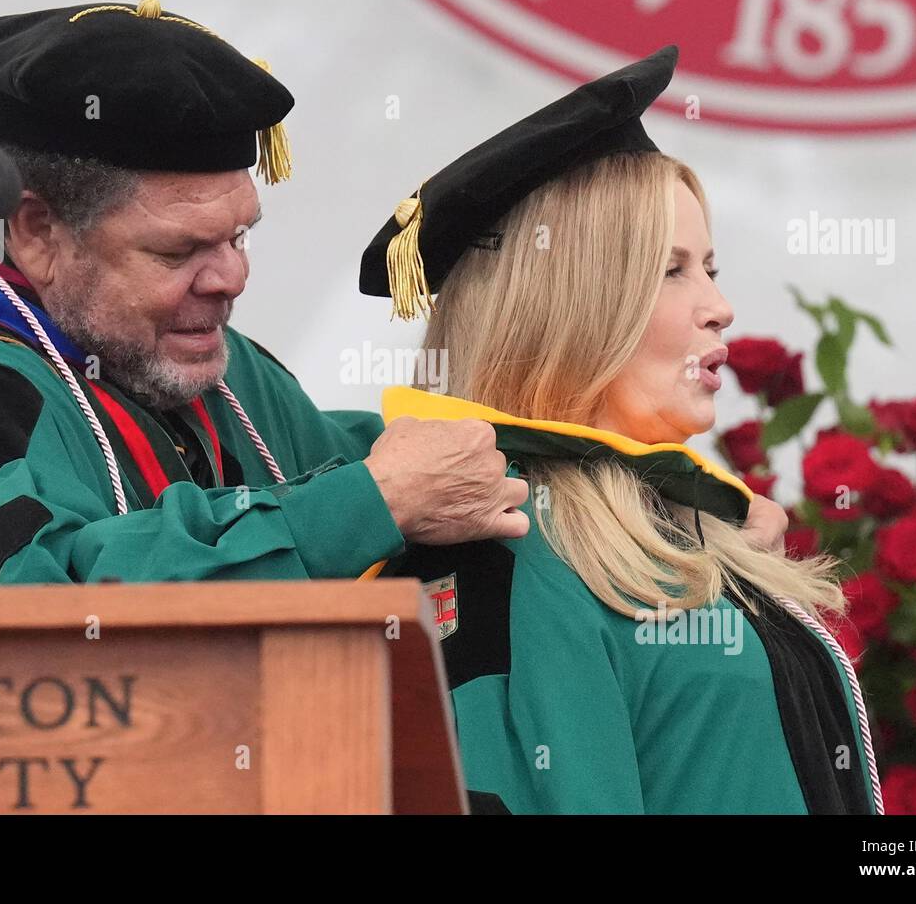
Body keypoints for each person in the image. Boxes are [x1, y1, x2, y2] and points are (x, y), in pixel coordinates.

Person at [0, 0, 528, 588]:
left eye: (239, 236)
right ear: (37, 232)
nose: (230, 277)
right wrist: (367, 507)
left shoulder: (226, 372)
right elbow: (36, 612)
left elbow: (360, 465)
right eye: (178, 250)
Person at [356, 46, 881, 814]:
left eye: (710, 266)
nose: (719, 306)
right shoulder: (506, 539)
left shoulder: (664, 521)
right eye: (671, 271)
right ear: (571, 309)